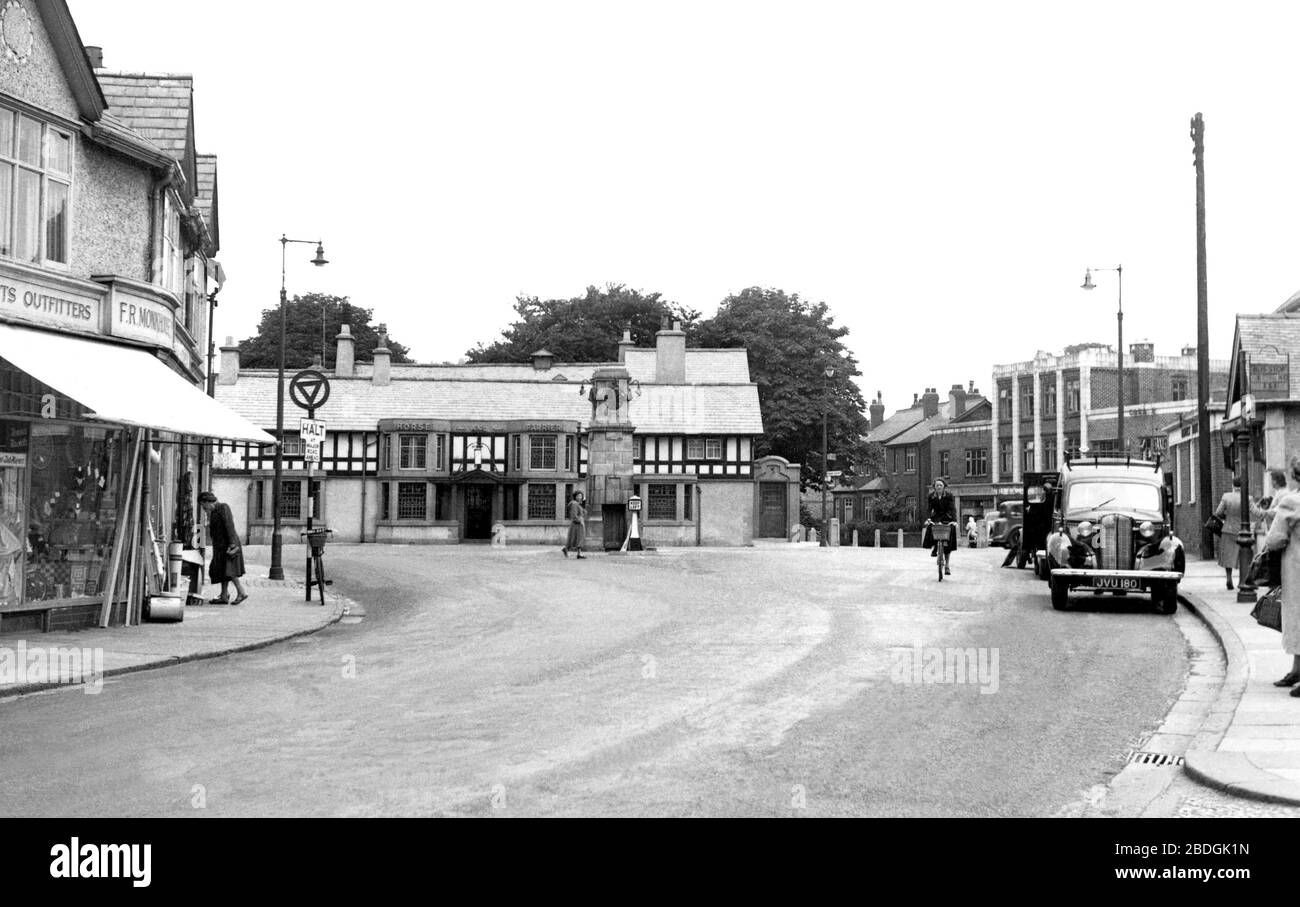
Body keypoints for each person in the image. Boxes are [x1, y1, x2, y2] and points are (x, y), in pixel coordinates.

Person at [1262, 457, 1300, 693]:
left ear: (1295, 475)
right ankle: (1297, 668)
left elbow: (1274, 539)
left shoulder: (1291, 502)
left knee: (1297, 617)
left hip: (1296, 567)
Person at [199, 491, 247, 604]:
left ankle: (241, 592)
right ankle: (224, 595)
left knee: (230, 570)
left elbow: (229, 525)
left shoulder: (223, 507)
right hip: (220, 545)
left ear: (207, 502)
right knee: (222, 570)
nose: (203, 508)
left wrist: (232, 544)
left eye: (203, 505)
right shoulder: (214, 511)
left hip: (228, 543)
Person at [1214, 476, 1260, 590]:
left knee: (1228, 556)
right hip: (1242, 531)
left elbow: (1218, 512)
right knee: (1244, 556)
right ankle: (1244, 579)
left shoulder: (1226, 496)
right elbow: (1256, 512)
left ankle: (1229, 578)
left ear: (1233, 485)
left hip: (1228, 529)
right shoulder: (1248, 498)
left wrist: (1227, 516)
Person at [926, 479, 957, 575]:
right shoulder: (931, 496)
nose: (939, 487)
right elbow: (929, 509)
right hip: (936, 517)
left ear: (944, 486)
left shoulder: (949, 496)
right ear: (934, 487)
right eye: (937, 485)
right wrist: (928, 519)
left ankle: (947, 566)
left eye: (940, 485)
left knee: (949, 534)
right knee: (931, 527)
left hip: (947, 516)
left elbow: (953, 508)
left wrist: (954, 521)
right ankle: (935, 546)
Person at [562, 491, 587, 559]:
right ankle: (566, 548)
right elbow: (574, 515)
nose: (580, 497)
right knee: (574, 538)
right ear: (575, 497)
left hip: (579, 524)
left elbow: (583, 513)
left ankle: (579, 554)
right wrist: (579, 521)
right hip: (577, 524)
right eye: (578, 496)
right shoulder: (574, 504)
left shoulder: (578, 504)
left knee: (579, 538)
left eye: (581, 496)